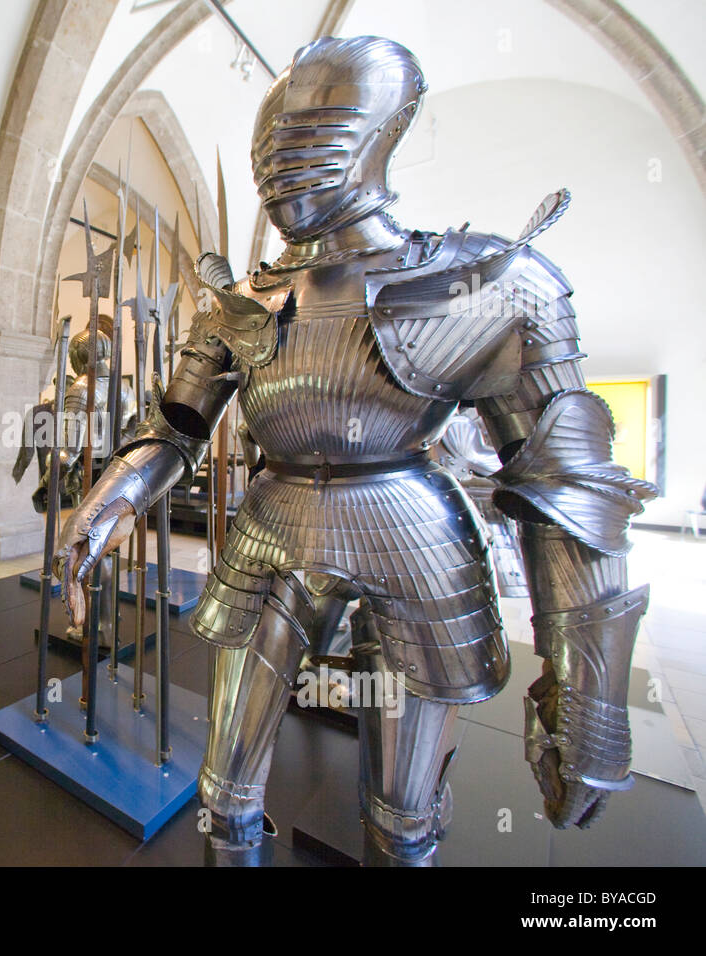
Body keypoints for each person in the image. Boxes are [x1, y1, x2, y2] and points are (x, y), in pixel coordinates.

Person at [55, 36, 655, 865]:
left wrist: (587, 707)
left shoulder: (488, 282)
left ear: (378, 132)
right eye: (272, 146)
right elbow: (174, 429)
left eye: (306, 136)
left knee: (404, 820)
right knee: (224, 798)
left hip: (414, 537)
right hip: (271, 528)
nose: (280, 166)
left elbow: (567, 485)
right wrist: (109, 496)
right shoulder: (244, 301)